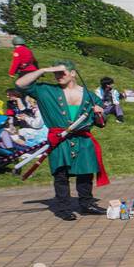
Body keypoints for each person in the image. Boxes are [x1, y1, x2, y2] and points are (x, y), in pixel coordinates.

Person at [14, 61, 107, 221]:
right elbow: (20, 84)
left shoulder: (91, 96)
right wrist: (43, 69)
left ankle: (86, 204)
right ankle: (64, 208)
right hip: (59, 140)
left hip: (82, 138)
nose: (57, 76)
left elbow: (101, 123)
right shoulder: (46, 91)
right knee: (61, 174)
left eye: (61, 72)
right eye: (55, 73)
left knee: (85, 174)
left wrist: (100, 113)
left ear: (73, 73)